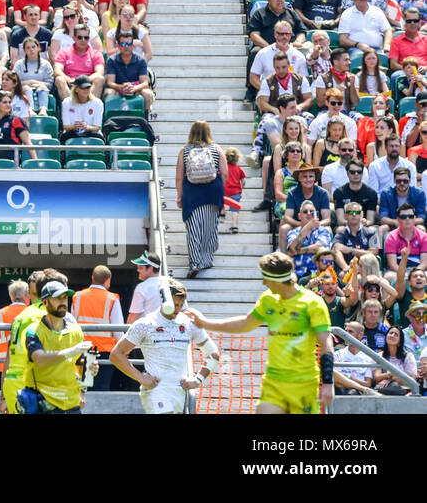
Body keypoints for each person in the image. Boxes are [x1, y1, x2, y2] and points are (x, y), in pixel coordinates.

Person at [186, 251, 333, 414]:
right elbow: (245, 324)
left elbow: (327, 345)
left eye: (266, 278)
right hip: (274, 381)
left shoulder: (313, 303)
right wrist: (205, 323)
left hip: (303, 383)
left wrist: (328, 383)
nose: (263, 282)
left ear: (277, 281)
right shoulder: (268, 299)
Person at [110, 279, 220, 414]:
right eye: (174, 304)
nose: (177, 309)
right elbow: (116, 354)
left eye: (180, 305)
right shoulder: (145, 324)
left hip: (178, 393)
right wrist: (141, 377)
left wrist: (197, 380)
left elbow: (213, 354)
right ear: (164, 300)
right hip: (155, 391)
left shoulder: (189, 324)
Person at [176, 120, 227, 279]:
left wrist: (179, 195)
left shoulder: (184, 150)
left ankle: (195, 263)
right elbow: (224, 173)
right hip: (213, 191)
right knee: (210, 227)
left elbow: (179, 177)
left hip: (192, 192)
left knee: (193, 228)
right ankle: (206, 259)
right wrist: (220, 189)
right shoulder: (216, 148)